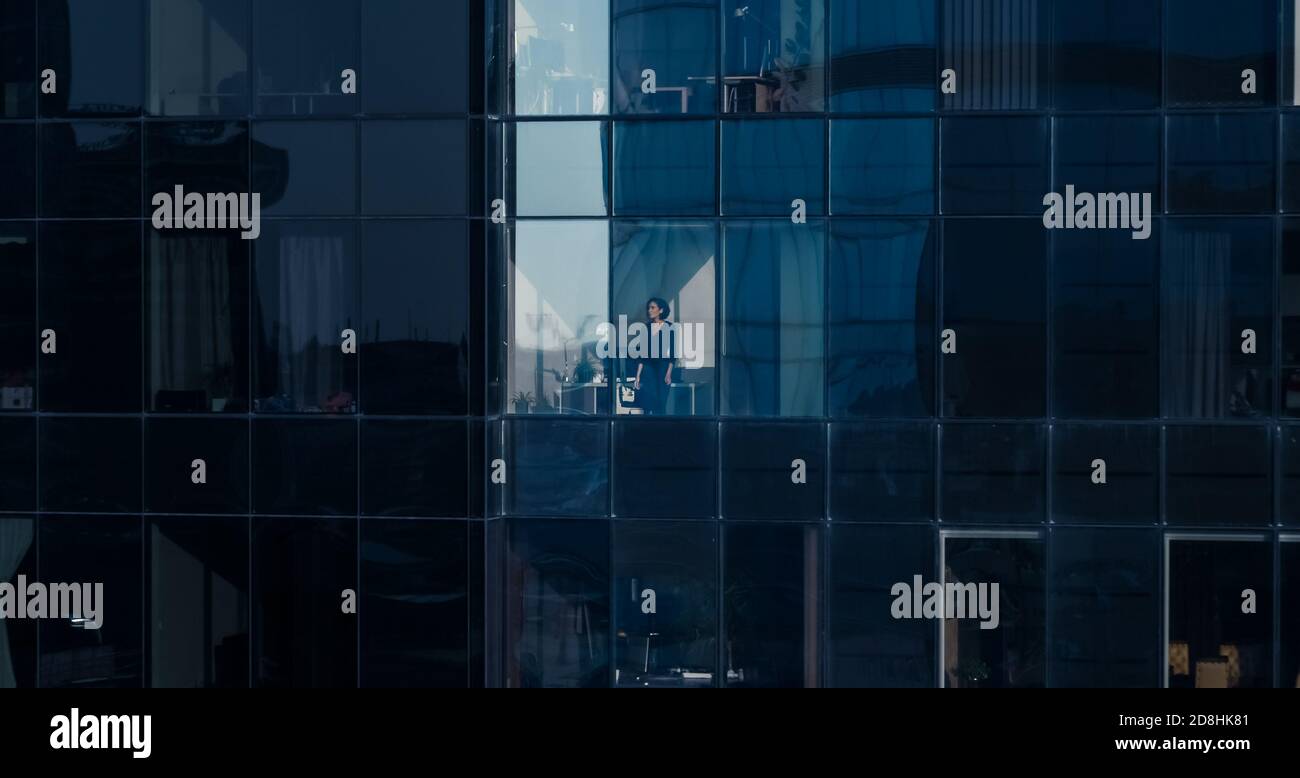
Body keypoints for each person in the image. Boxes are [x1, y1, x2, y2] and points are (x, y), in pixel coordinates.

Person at [633, 297, 675, 415]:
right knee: (648, 402)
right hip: (648, 368)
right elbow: (642, 354)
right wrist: (637, 376)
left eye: (653, 308)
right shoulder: (646, 327)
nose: (649, 310)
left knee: (661, 403)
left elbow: (672, 353)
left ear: (661, 310)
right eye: (648, 308)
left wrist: (668, 373)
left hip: (663, 366)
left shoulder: (670, 327)